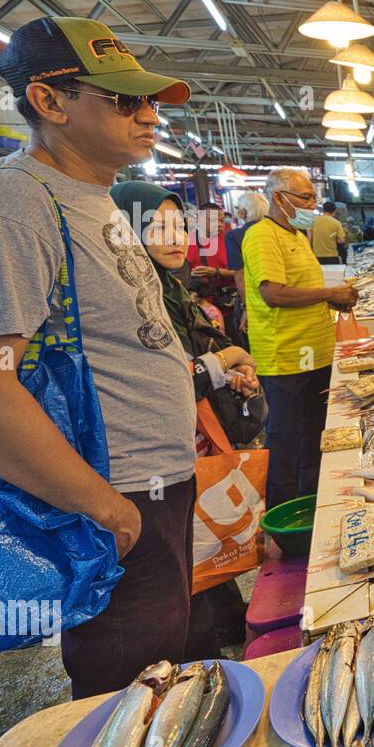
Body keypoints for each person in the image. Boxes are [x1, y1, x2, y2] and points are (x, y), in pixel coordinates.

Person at [0, 16, 196, 697]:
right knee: (129, 695)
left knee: (162, 677)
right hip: (112, 503)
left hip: (152, 487)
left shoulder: (91, 197)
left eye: (148, 101)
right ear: (50, 101)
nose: (149, 116)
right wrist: (104, 509)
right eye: (124, 100)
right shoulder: (12, 201)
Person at [110, 181, 260, 652]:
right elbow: (166, 378)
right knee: (177, 575)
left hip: (193, 443)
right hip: (150, 460)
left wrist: (235, 369)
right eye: (157, 227)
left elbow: (201, 358)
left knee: (203, 550)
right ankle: (200, 667)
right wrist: (229, 356)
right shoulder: (127, 298)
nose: (175, 238)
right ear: (125, 233)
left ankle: (226, 639)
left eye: (179, 226)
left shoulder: (171, 288)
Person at [243, 168, 358, 510]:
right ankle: (283, 513)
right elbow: (273, 294)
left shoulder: (295, 235)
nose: (312, 203)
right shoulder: (262, 235)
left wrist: (330, 297)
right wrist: (328, 293)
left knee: (311, 438)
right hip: (286, 358)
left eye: (312, 197)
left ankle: (311, 507)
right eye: (305, 197)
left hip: (314, 355)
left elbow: (300, 288)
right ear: (279, 198)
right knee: (286, 440)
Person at [223, 191, 267, 344]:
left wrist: (246, 307)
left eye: (237, 207)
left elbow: (240, 274)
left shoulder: (234, 236)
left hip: (254, 299)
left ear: (243, 211)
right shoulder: (274, 232)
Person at [310, 201, 347, 266]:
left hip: (316, 256)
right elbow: (342, 240)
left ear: (323, 210)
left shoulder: (313, 221)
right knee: (333, 275)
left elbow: (309, 238)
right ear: (334, 211)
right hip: (332, 256)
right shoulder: (336, 223)